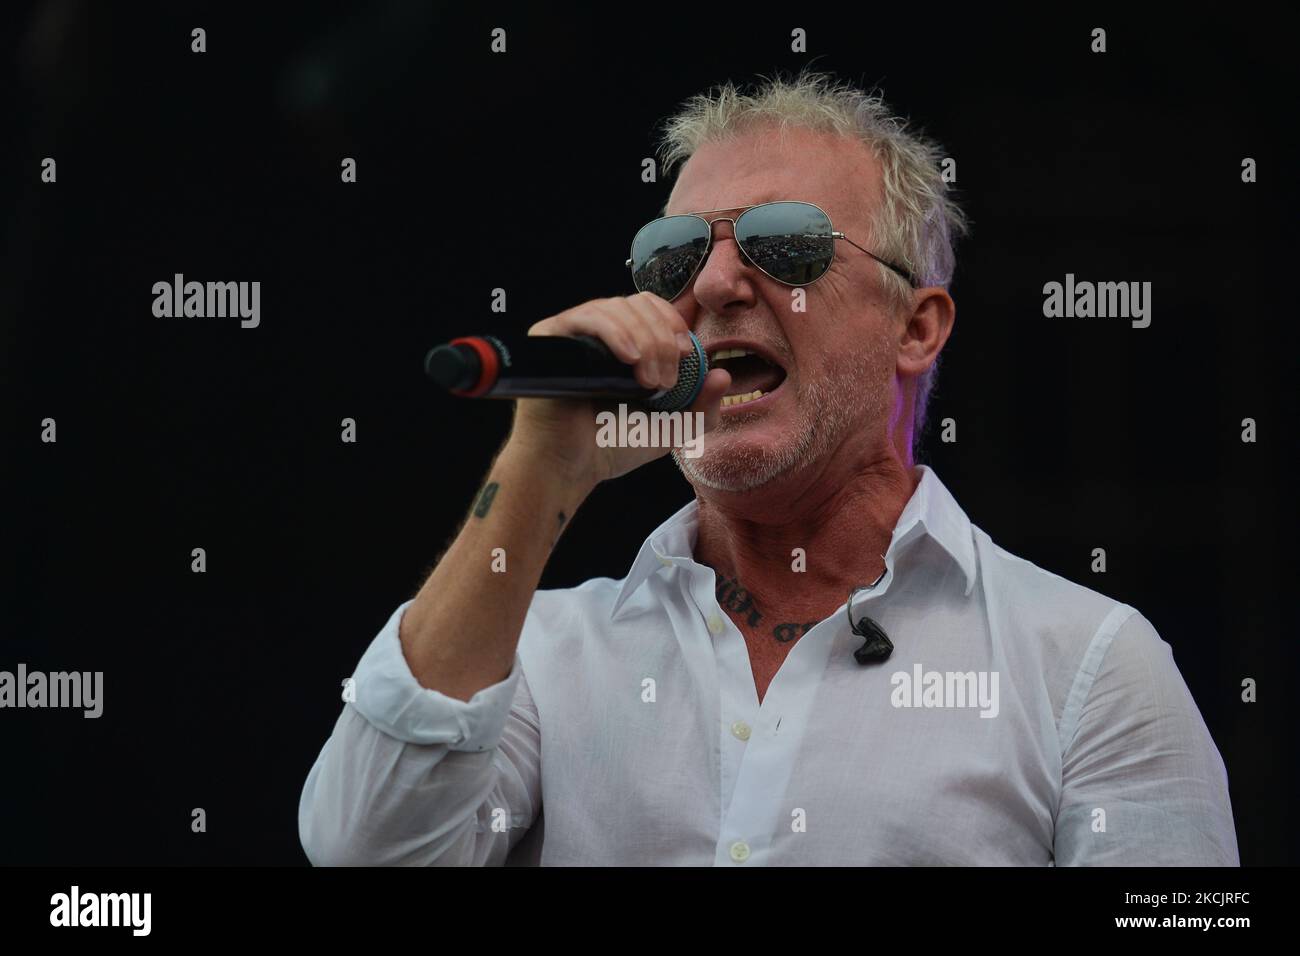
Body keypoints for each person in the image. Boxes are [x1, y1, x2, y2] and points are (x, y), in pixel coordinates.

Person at [298, 70, 1238, 866]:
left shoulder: (1087, 665)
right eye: (671, 257)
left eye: (783, 244)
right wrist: (544, 464)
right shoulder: (544, 657)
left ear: (916, 328)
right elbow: (366, 844)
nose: (712, 285)